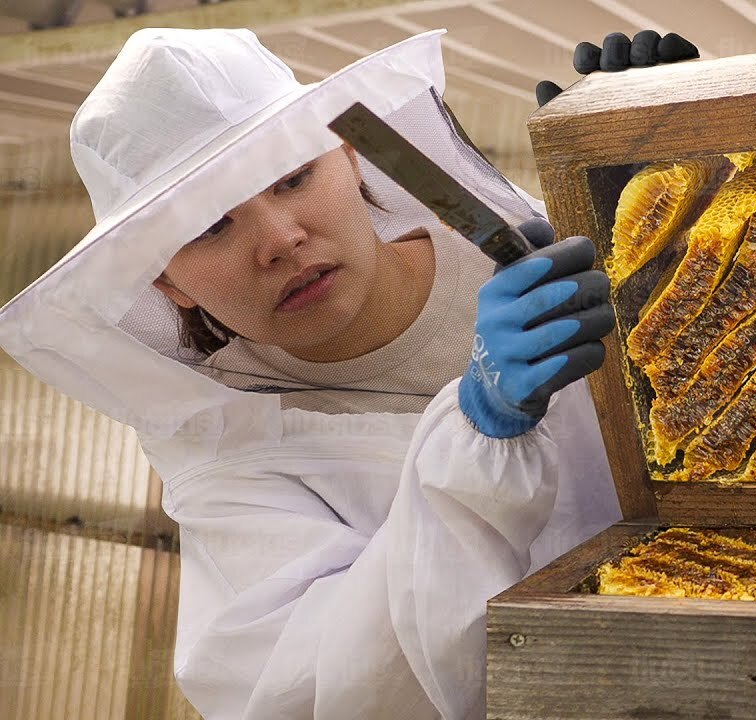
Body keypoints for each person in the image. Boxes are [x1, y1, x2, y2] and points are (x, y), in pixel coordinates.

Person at [0, 26, 695, 719]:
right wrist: (479, 438)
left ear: (350, 158)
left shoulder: (547, 249)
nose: (279, 241)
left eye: (293, 178)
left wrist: (710, 165)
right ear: (167, 283)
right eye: (210, 227)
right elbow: (323, 693)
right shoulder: (229, 462)